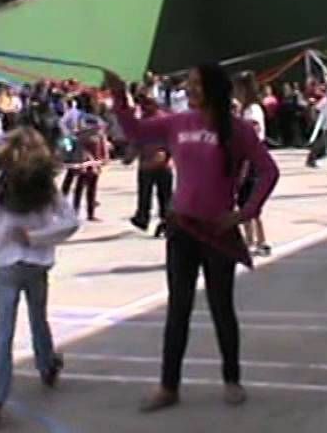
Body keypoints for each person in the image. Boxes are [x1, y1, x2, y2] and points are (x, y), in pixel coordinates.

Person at [106, 63, 279, 413]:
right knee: (178, 309)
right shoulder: (177, 122)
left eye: (197, 83)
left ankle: (232, 379)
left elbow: (268, 170)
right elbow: (135, 131)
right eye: (189, 83)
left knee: (221, 308)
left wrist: (245, 212)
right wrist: (120, 96)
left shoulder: (238, 130)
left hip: (217, 231)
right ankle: (168, 386)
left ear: (214, 88)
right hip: (182, 229)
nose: (190, 88)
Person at [0, 128, 79, 427]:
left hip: (8, 265)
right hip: (36, 263)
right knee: (38, 318)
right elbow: (71, 222)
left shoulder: (1, 183)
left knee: (3, 332)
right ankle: (47, 364)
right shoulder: (46, 185)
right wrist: (39, 237)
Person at [234, 72, 271, 256]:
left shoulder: (253, 111)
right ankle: (249, 240)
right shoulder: (243, 109)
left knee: (251, 202)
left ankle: (261, 240)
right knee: (243, 202)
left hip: (252, 159)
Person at [128, 94, 173, 238]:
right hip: (160, 162)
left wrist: (130, 156)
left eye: (145, 104)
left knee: (148, 194)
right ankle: (165, 221)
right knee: (163, 195)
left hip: (151, 163)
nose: (142, 107)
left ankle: (144, 218)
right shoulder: (164, 119)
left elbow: (136, 142)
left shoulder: (148, 121)